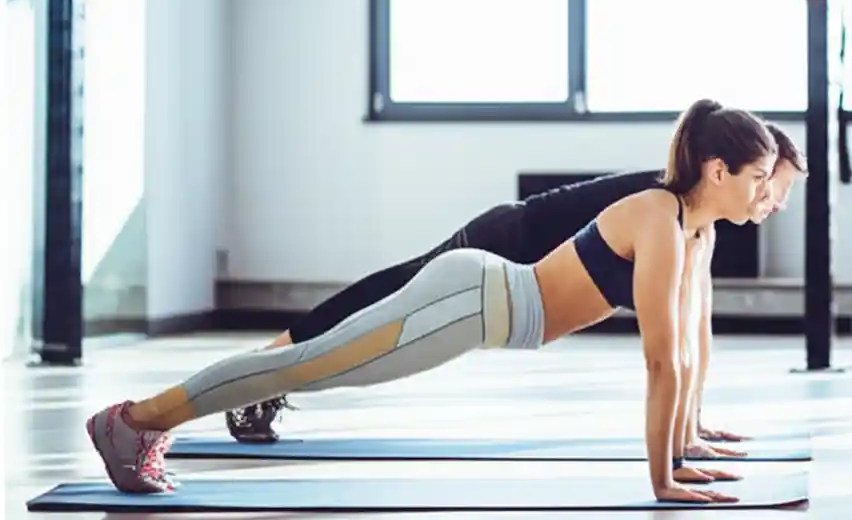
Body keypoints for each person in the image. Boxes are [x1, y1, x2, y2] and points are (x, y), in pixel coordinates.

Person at [86, 98, 780, 505]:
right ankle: (134, 420)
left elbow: (687, 353)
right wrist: (663, 483)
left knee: (309, 365)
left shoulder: (692, 231)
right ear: (716, 170)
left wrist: (685, 447)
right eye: (757, 179)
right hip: (470, 299)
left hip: (481, 303)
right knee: (305, 366)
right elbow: (661, 363)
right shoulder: (658, 217)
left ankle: (143, 422)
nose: (762, 194)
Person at [224, 124, 807, 447]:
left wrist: (693, 418)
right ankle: (267, 364)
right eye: (773, 185)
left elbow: (692, 330)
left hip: (520, 268)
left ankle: (272, 370)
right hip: (505, 240)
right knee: (387, 301)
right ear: (726, 170)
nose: (774, 202)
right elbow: (674, 346)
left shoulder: (700, 226)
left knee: (387, 309)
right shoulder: (670, 206)